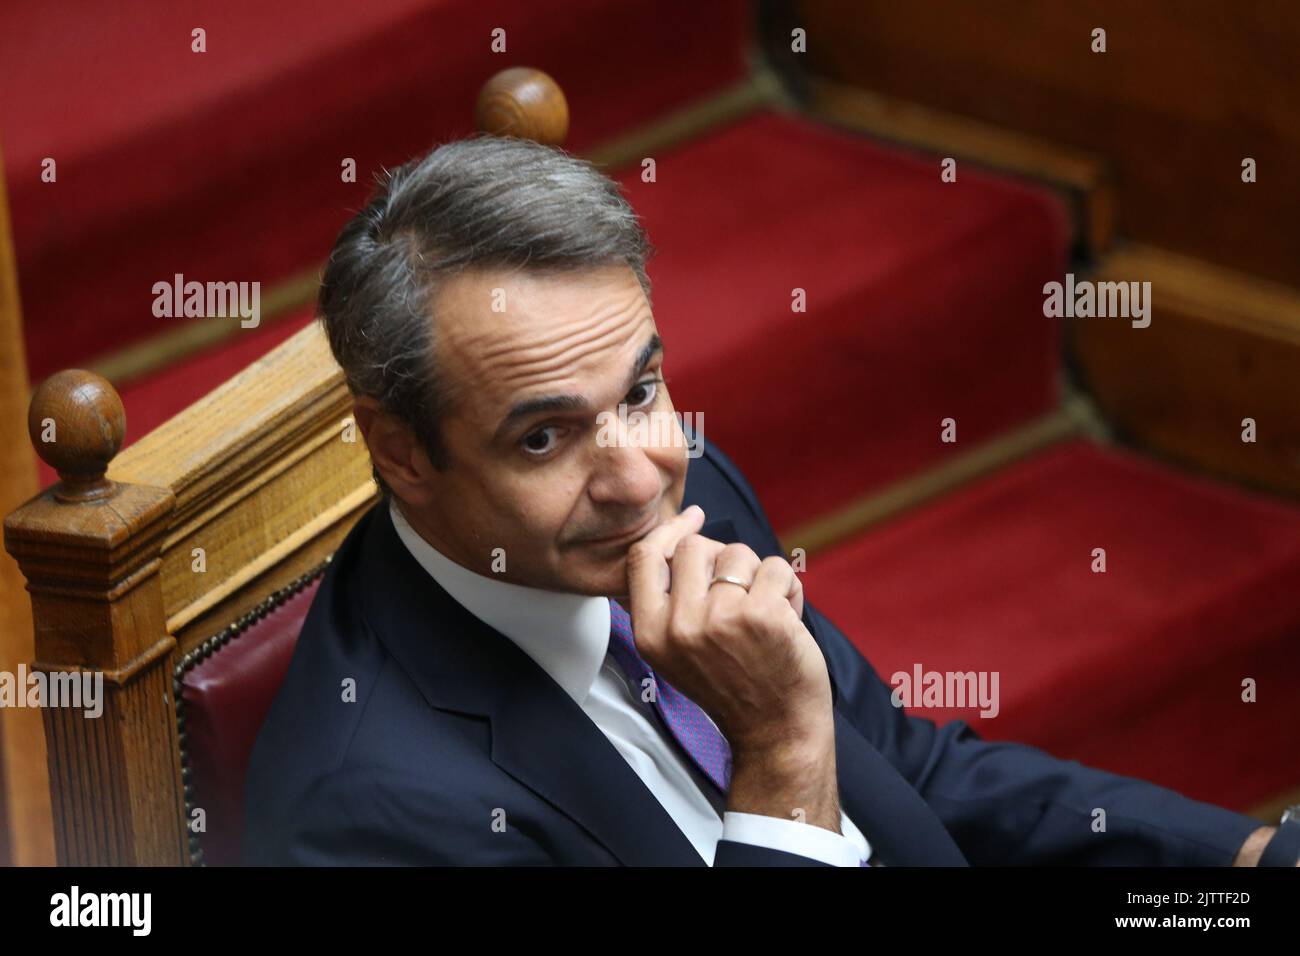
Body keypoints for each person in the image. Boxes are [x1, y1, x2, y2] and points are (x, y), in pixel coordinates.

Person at [243, 135, 1291, 866]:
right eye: (544, 435)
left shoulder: (681, 501)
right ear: (401, 450)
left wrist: (1244, 858)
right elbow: (816, 758)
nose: (641, 472)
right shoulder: (376, 813)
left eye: (642, 389)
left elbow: (911, 769)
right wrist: (784, 760)